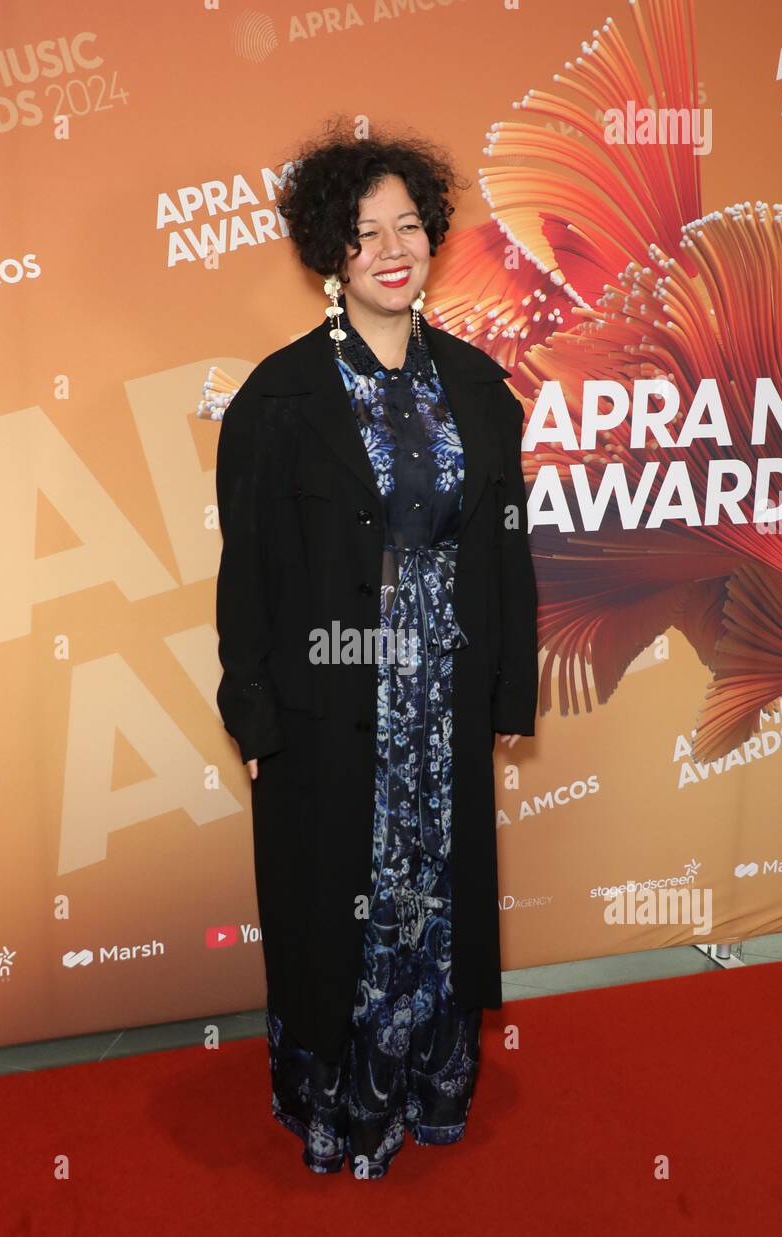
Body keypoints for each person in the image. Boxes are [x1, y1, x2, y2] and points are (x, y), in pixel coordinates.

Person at [212, 123, 538, 1179]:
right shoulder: (278, 399)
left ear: (432, 238)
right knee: (332, 909)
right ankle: (342, 1105)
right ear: (328, 254)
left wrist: (504, 692)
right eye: (363, 233)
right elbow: (246, 571)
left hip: (439, 706)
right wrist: (253, 713)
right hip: (327, 706)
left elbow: (504, 552)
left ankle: (430, 1085)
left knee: (434, 901)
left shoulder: (481, 390)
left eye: (407, 225)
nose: (390, 248)